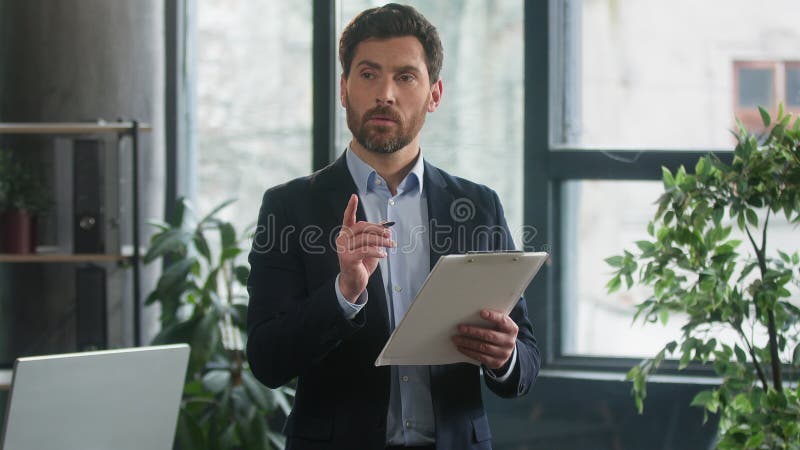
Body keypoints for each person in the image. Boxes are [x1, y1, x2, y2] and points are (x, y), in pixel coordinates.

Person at [247, 4, 540, 449]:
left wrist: (504, 358)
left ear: (434, 95)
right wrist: (343, 294)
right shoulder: (289, 208)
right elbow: (267, 363)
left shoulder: (478, 206)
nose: (385, 93)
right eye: (368, 74)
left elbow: (526, 359)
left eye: (405, 77)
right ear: (344, 89)